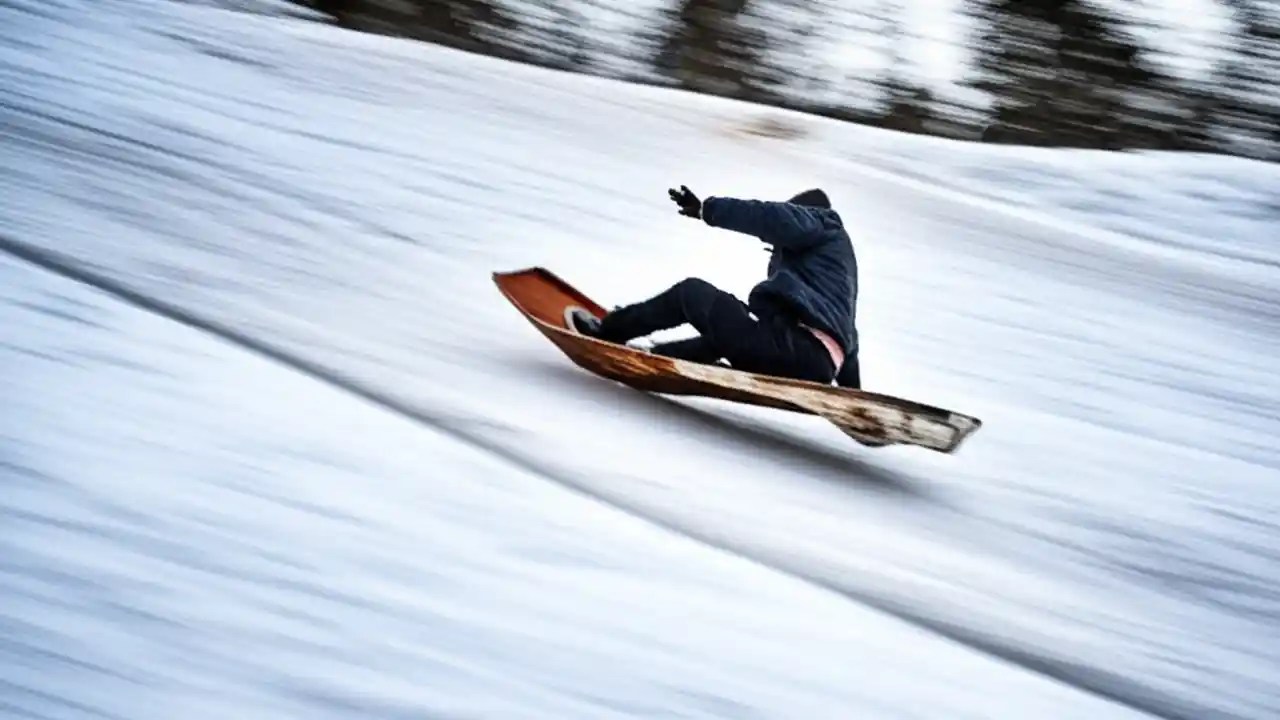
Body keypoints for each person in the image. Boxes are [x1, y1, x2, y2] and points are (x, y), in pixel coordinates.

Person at [565, 185, 861, 389]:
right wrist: (853, 395)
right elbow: (849, 337)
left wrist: (708, 210)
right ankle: (661, 356)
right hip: (816, 367)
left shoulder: (822, 224)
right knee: (728, 328)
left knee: (691, 293)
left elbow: (770, 217)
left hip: (793, 349)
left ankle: (607, 332)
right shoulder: (838, 268)